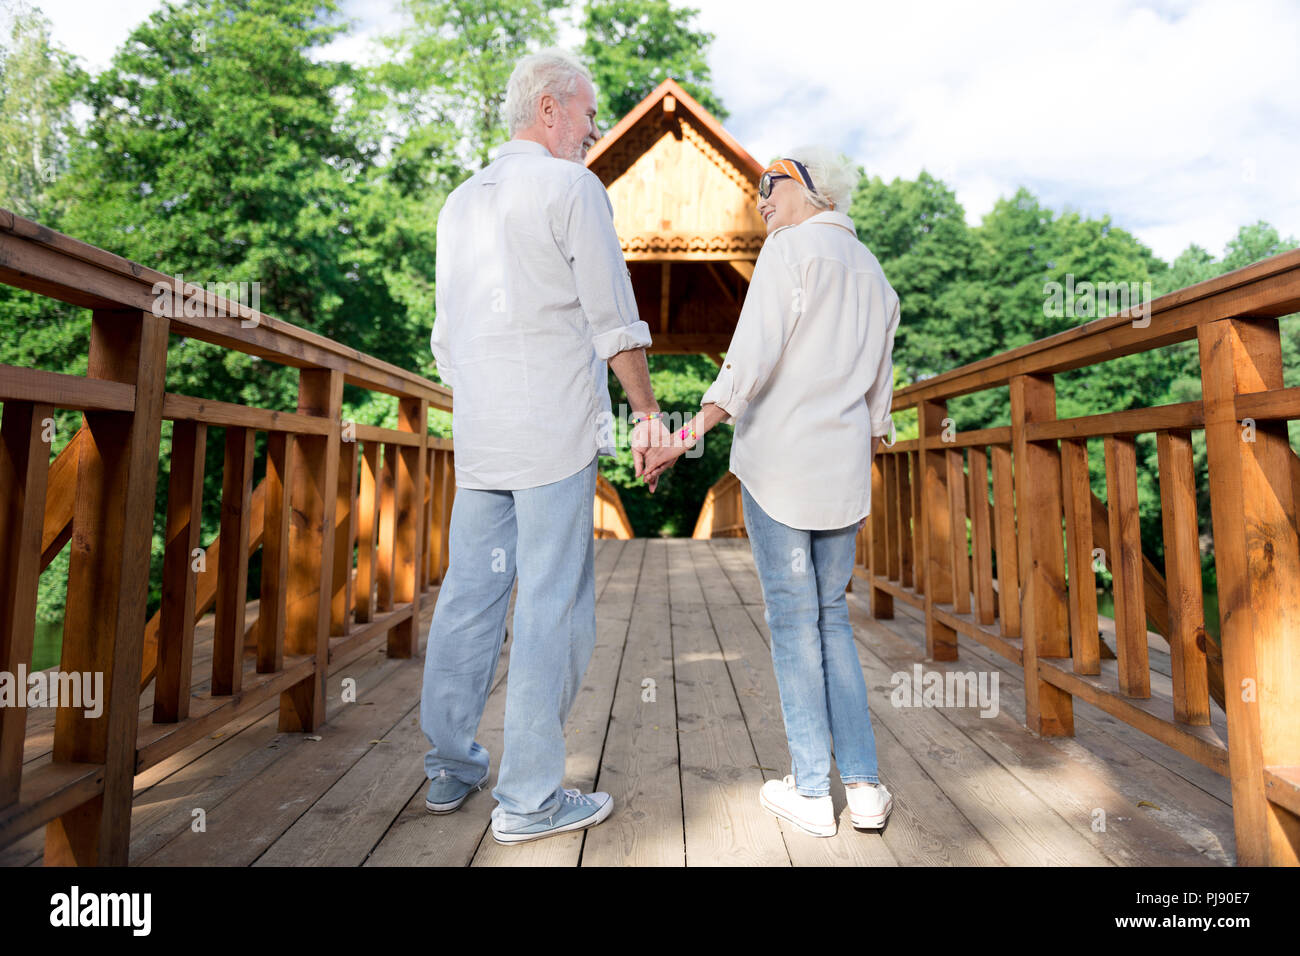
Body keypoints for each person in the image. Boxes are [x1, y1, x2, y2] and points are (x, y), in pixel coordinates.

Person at [421, 50, 672, 845]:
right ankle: (529, 800)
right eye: (590, 115)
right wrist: (646, 412)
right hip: (555, 434)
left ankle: (450, 767)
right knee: (552, 607)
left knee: (469, 598)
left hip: (483, 435)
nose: (594, 131)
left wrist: (481, 404)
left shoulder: (459, 204)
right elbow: (612, 318)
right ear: (550, 107)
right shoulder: (573, 189)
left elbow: (445, 340)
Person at [644, 147, 900, 837]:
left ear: (813, 189)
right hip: (841, 474)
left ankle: (812, 789)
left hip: (781, 469)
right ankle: (866, 786)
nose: (761, 199)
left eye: (772, 184)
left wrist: (681, 435)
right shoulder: (875, 275)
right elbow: (881, 401)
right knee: (832, 618)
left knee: (793, 623)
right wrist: (865, 431)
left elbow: (747, 364)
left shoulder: (790, 254)